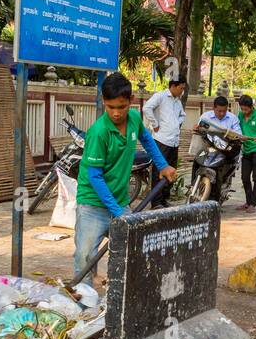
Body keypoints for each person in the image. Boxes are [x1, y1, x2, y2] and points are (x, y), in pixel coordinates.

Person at [75, 71, 177, 284]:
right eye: (110, 107)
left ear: (130, 101)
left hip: (120, 200)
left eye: (121, 107)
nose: (116, 113)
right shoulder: (99, 132)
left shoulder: (134, 119)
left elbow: (147, 140)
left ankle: (118, 295)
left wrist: (163, 165)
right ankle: (84, 303)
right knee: (86, 256)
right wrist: (117, 211)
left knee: (129, 250)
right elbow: (94, 175)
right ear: (104, 102)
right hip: (93, 203)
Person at [143, 74, 187, 206]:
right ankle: (156, 202)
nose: (182, 91)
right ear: (173, 86)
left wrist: (176, 123)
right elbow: (147, 108)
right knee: (159, 171)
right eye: (180, 88)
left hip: (174, 141)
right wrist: (155, 124)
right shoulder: (161, 96)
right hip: (161, 140)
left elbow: (182, 115)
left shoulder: (177, 101)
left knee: (171, 171)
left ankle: (164, 199)